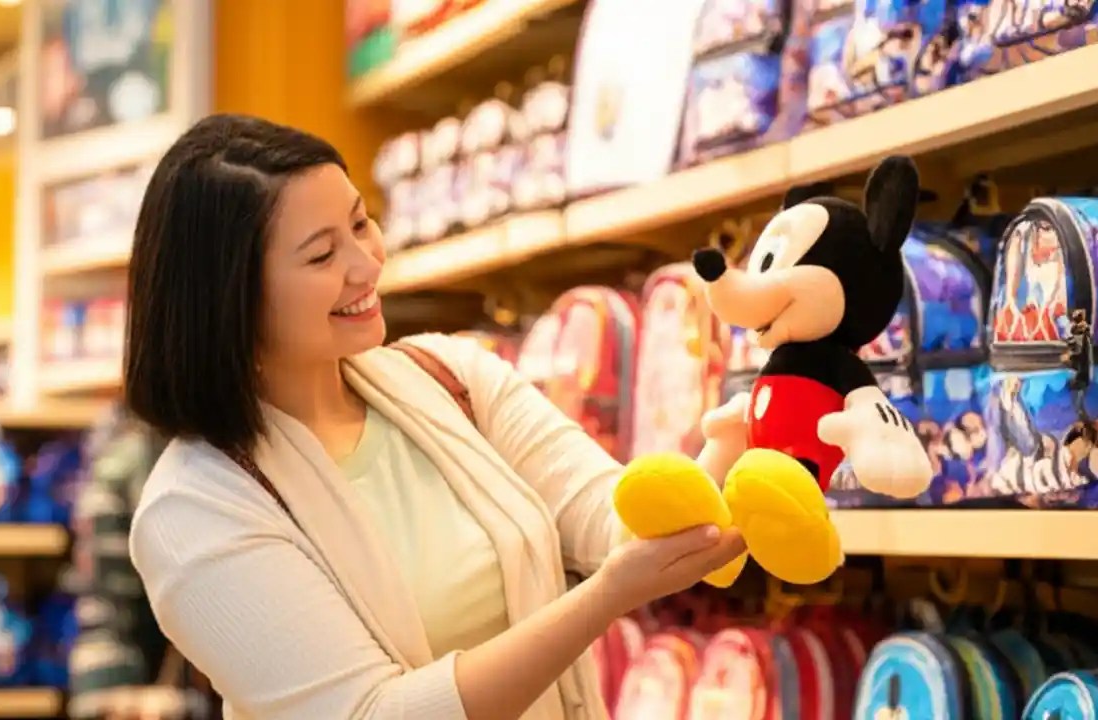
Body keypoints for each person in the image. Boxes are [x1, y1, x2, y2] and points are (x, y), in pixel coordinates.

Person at [124, 113, 746, 720]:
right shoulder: (195, 511)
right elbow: (371, 712)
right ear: (229, 299)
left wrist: (732, 444)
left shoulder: (449, 380)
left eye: (362, 222)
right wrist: (607, 595)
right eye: (322, 255)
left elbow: (612, 517)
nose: (368, 264)